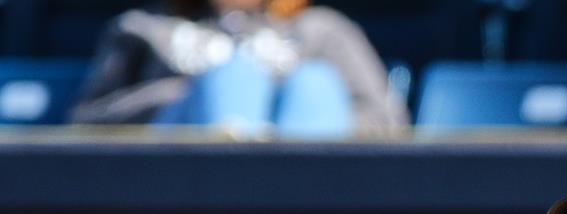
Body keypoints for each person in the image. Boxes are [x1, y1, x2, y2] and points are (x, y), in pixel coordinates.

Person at [70, 0, 407, 134]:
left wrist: (277, 111)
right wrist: (191, 95)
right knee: (232, 81)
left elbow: (387, 119)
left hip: (310, 163)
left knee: (313, 83)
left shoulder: (323, 29)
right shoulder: (144, 27)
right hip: (182, 175)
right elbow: (87, 122)